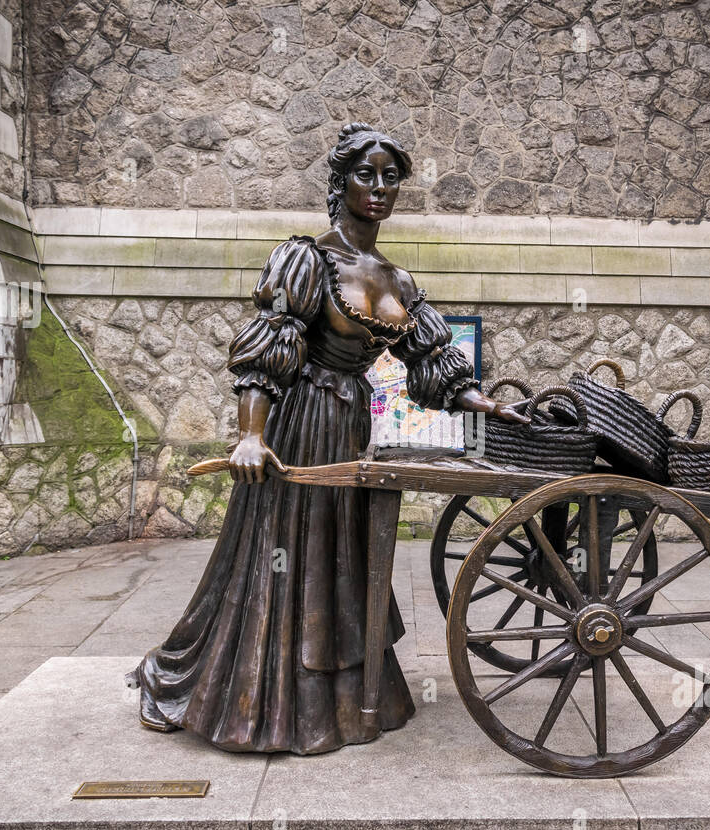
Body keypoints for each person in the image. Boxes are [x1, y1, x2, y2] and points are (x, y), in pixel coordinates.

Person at [132, 123, 528, 754]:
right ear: (340, 182)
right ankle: (266, 700)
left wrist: (490, 406)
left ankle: (344, 700)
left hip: (351, 425)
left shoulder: (396, 280)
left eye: (389, 177)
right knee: (284, 556)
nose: (377, 188)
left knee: (341, 556)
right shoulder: (307, 259)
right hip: (300, 426)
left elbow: (434, 364)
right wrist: (250, 436)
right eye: (365, 175)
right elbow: (266, 352)